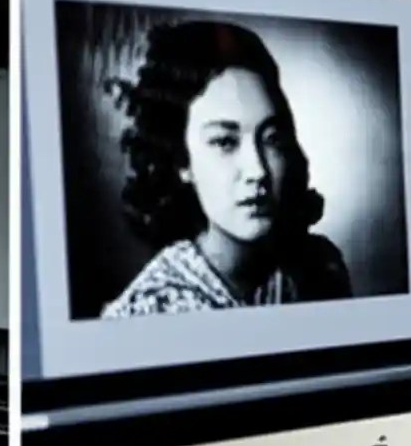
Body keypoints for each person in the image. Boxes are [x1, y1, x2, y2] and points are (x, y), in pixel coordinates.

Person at [101, 20, 352, 318]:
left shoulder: (320, 268)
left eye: (272, 139)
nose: (258, 170)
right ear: (182, 161)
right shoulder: (147, 311)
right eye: (225, 142)